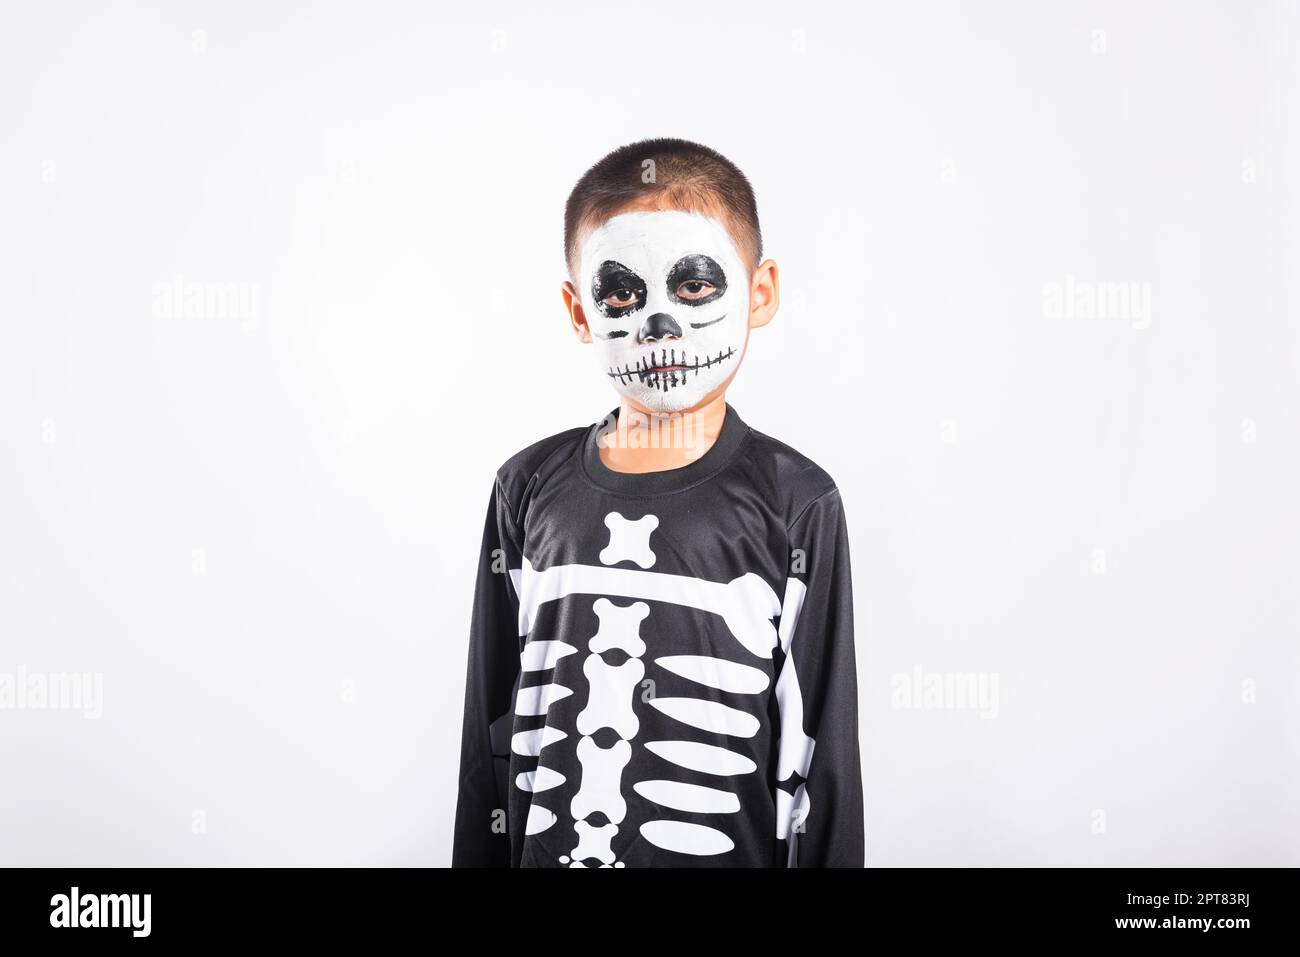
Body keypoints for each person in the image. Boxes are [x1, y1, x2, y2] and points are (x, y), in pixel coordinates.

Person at [452, 138, 863, 867]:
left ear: (759, 292)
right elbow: (488, 733)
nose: (657, 327)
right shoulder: (525, 487)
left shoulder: (797, 503)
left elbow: (822, 759)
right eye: (621, 293)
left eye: (695, 287)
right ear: (580, 311)